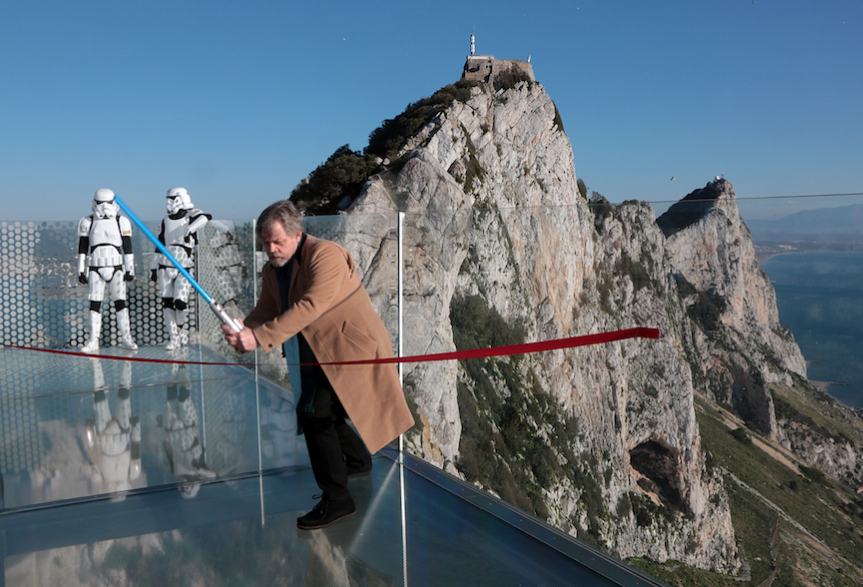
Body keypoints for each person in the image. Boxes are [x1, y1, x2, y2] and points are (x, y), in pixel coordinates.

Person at [222, 200, 414, 530]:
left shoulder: (327, 255)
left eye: (277, 241)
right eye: (265, 242)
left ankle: (338, 500)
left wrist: (259, 338)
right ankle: (357, 461)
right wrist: (245, 330)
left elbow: (311, 305)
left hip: (351, 351)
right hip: (319, 354)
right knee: (323, 411)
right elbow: (267, 309)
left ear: (297, 234)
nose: (270, 249)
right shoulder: (273, 270)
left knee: (314, 413)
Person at [150, 187, 212, 350]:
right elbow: (160, 244)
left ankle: (182, 330)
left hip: (184, 266)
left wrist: (189, 230)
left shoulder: (191, 216)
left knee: (180, 302)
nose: (168, 203)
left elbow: (206, 217)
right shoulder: (165, 221)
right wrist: (153, 267)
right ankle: (173, 337)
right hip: (165, 264)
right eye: (167, 199)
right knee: (167, 303)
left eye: (171, 199)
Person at [77, 188, 138, 352]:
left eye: (107, 203)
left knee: (121, 303)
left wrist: (130, 269)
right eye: (100, 203)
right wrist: (81, 269)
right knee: (95, 304)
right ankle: (93, 340)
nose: (104, 207)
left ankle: (126, 338)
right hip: (95, 266)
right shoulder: (87, 222)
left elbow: (127, 246)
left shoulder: (121, 221)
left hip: (116, 266)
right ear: (94, 203)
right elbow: (83, 247)